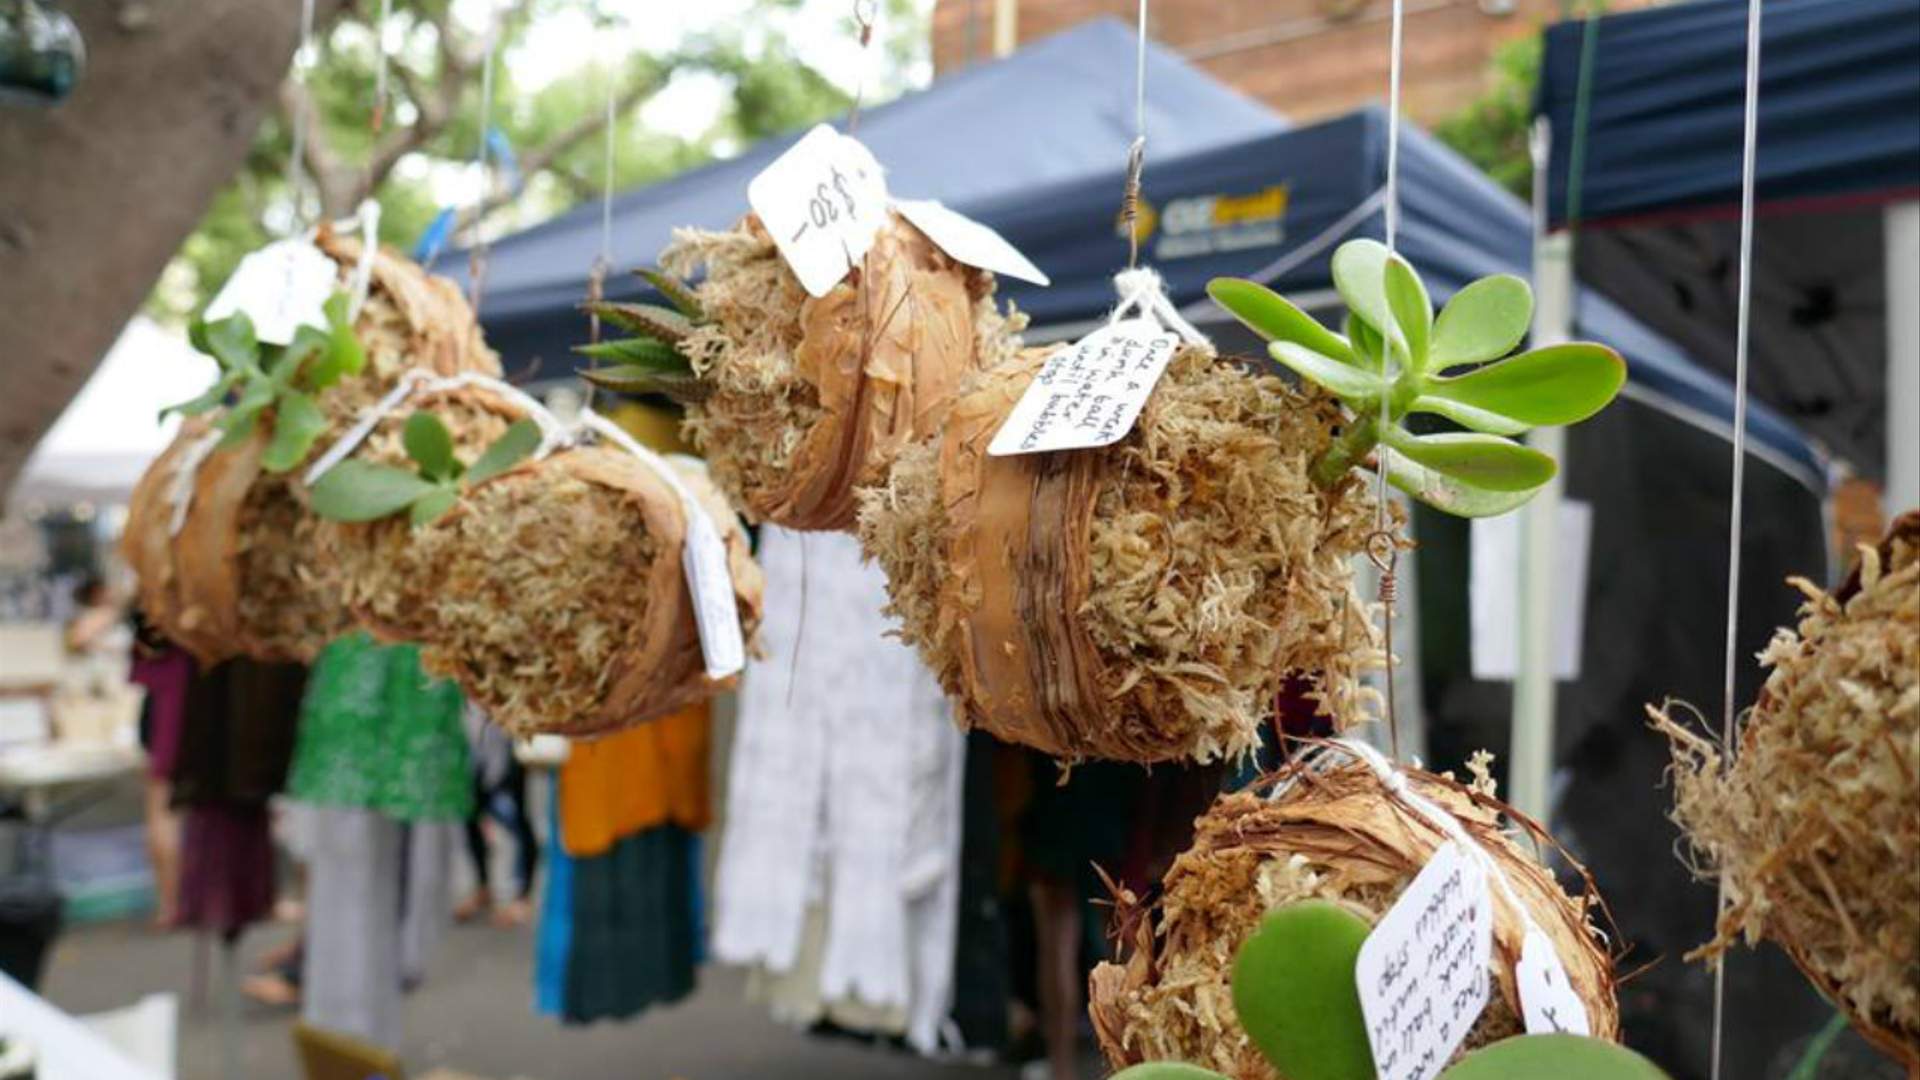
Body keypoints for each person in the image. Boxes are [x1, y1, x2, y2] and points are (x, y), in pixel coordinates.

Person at [127, 609, 192, 927]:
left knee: (162, 806)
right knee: (165, 806)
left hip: (162, 701)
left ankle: (170, 902)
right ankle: (172, 902)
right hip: (175, 701)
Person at [456, 703, 539, 926]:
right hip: (476, 754)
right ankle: (483, 887)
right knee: (470, 820)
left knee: (518, 825)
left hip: (505, 753)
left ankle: (521, 896)